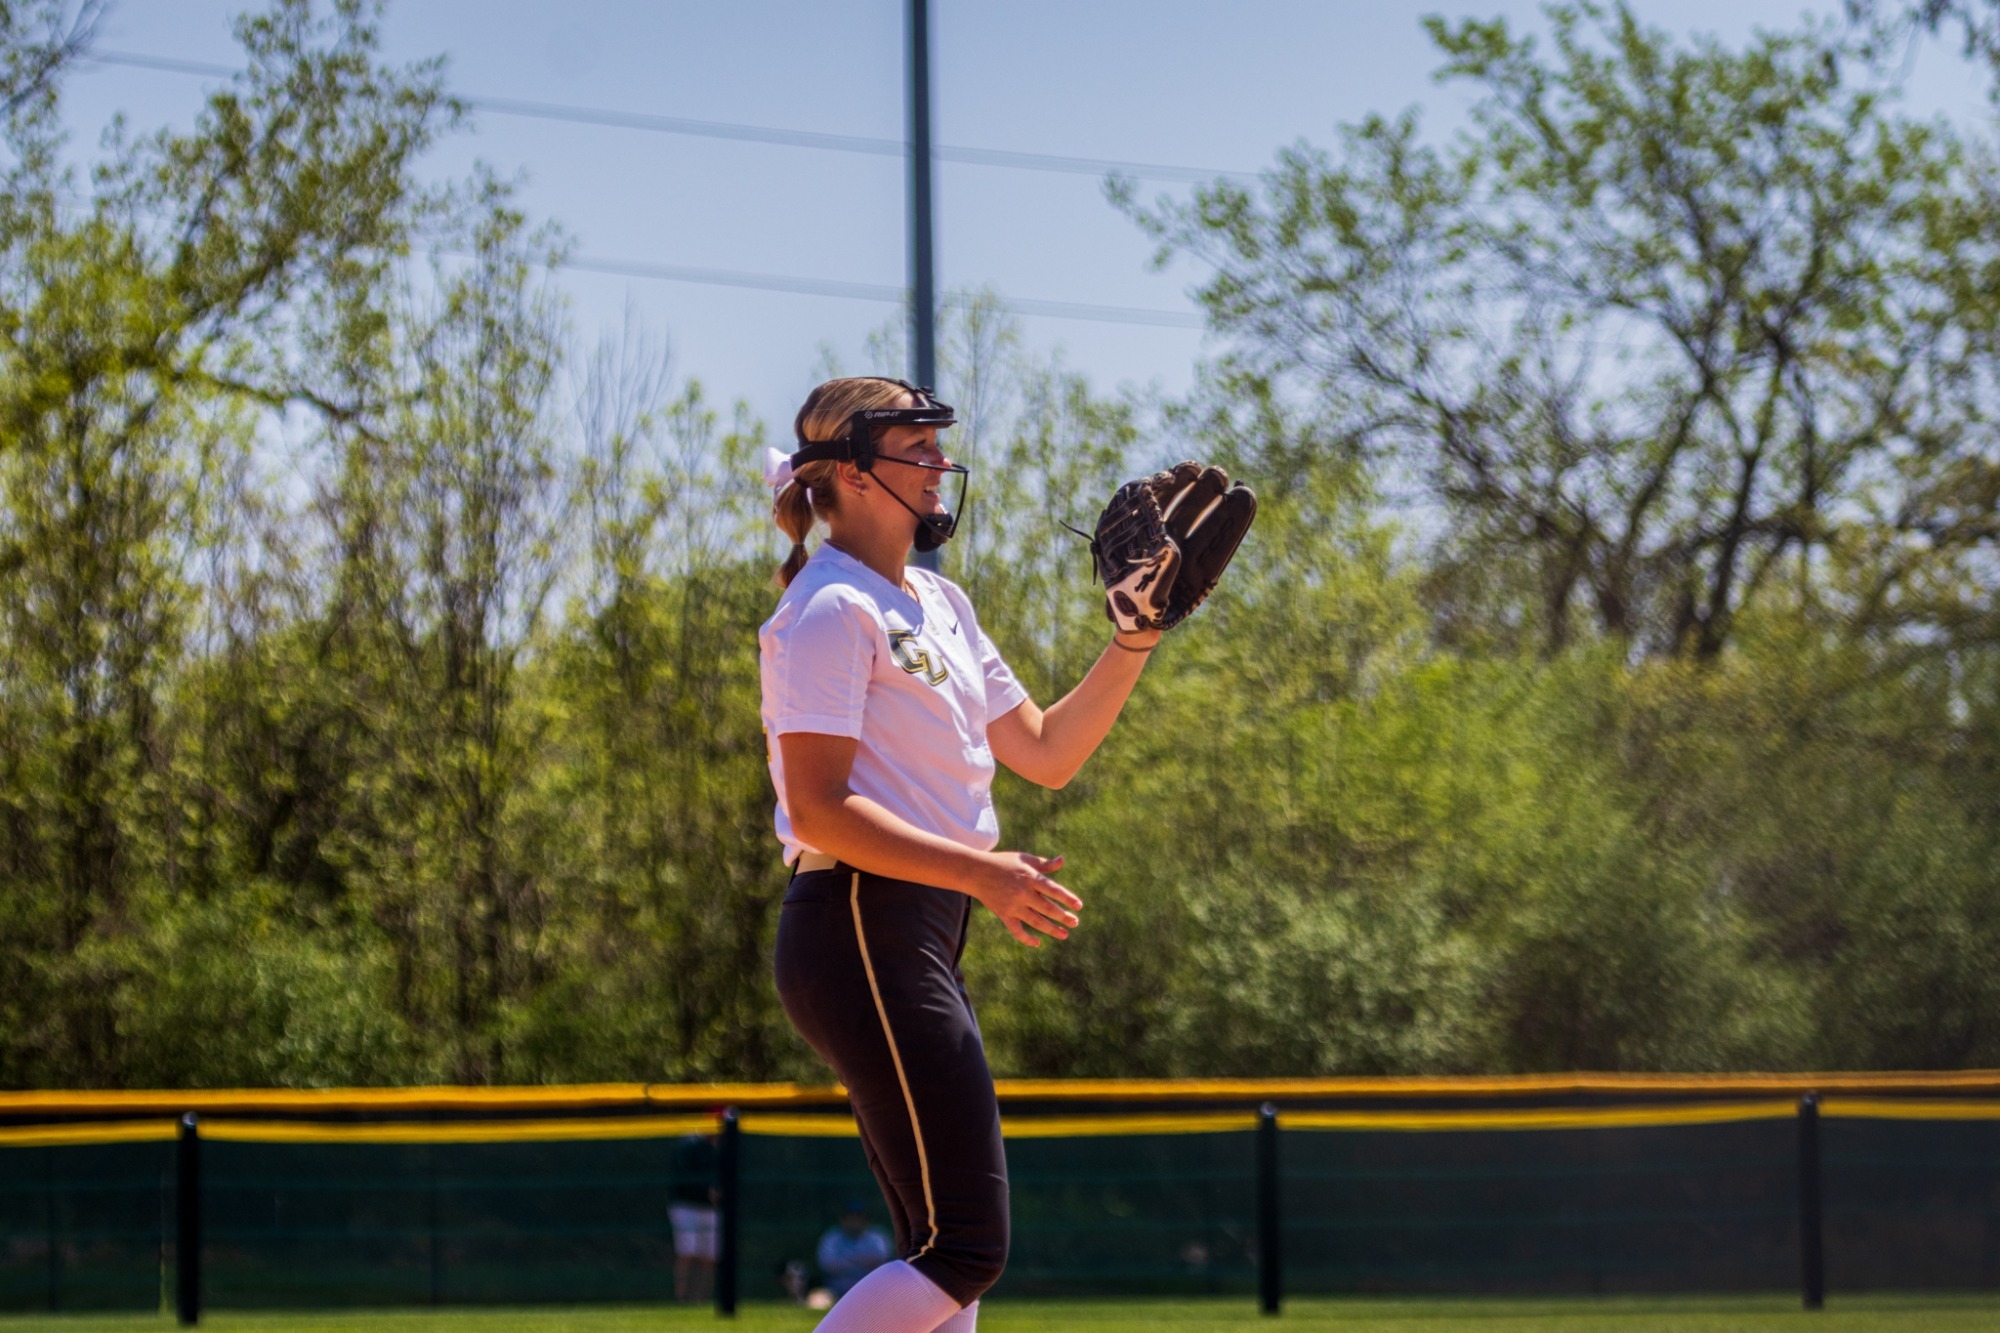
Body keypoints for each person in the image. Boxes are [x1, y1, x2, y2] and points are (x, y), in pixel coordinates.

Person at [760, 376, 1167, 1332]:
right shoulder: (830, 608)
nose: (942, 464)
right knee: (966, 1247)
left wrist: (1134, 638)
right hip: (859, 920)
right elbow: (818, 809)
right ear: (854, 474)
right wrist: (982, 871)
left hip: (911, 928)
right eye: (918, 449)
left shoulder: (938, 599)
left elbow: (1047, 752)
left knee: (946, 1254)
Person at [667, 1131, 718, 1303]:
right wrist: (705, 1190)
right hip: (686, 1205)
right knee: (687, 1253)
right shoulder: (689, 1146)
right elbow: (683, 1176)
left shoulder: (722, 1147)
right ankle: (681, 1298)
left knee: (709, 1256)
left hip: (711, 1208)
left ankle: (701, 1298)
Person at [817, 1197, 895, 1299]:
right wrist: (862, 1260)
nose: (855, 1221)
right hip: (837, 1289)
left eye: (859, 1216)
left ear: (866, 1219)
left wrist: (846, 1261)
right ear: (842, 1219)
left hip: (872, 1288)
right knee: (819, 1298)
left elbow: (883, 1262)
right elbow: (829, 1265)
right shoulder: (832, 1237)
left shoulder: (877, 1236)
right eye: (850, 1217)